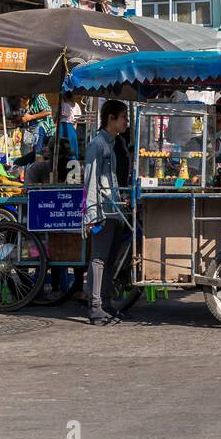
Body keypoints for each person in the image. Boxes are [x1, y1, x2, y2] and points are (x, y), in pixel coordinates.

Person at [83, 100, 131, 326]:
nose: (127, 121)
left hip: (115, 209)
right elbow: (91, 181)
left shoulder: (114, 143)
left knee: (110, 259)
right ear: (111, 118)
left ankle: (105, 303)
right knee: (99, 259)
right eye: (123, 117)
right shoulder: (98, 144)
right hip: (102, 210)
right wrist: (92, 214)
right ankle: (94, 307)